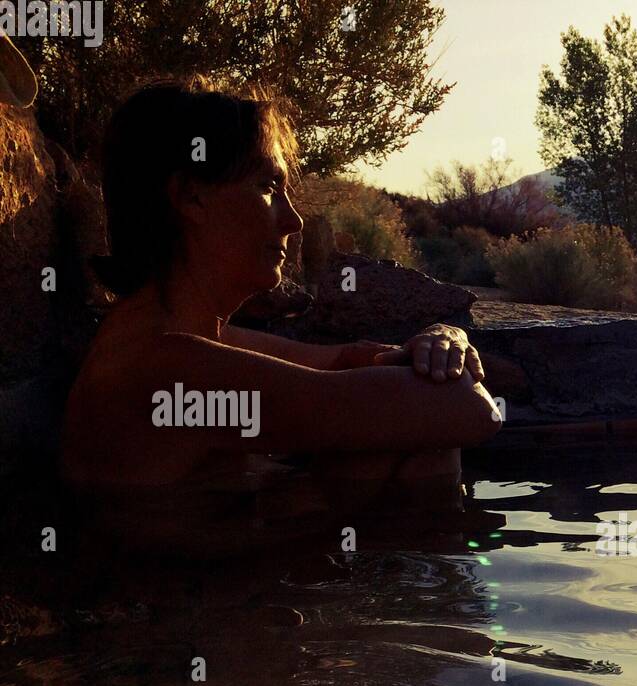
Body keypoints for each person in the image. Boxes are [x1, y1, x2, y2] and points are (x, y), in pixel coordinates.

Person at [61, 77, 500, 518]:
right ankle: (429, 583)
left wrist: (444, 338)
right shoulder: (164, 366)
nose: (293, 221)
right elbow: (468, 411)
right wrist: (444, 371)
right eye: (269, 187)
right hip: (200, 586)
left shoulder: (189, 336)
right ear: (191, 196)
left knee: (410, 448)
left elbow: (352, 361)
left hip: (240, 575)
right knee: (423, 447)